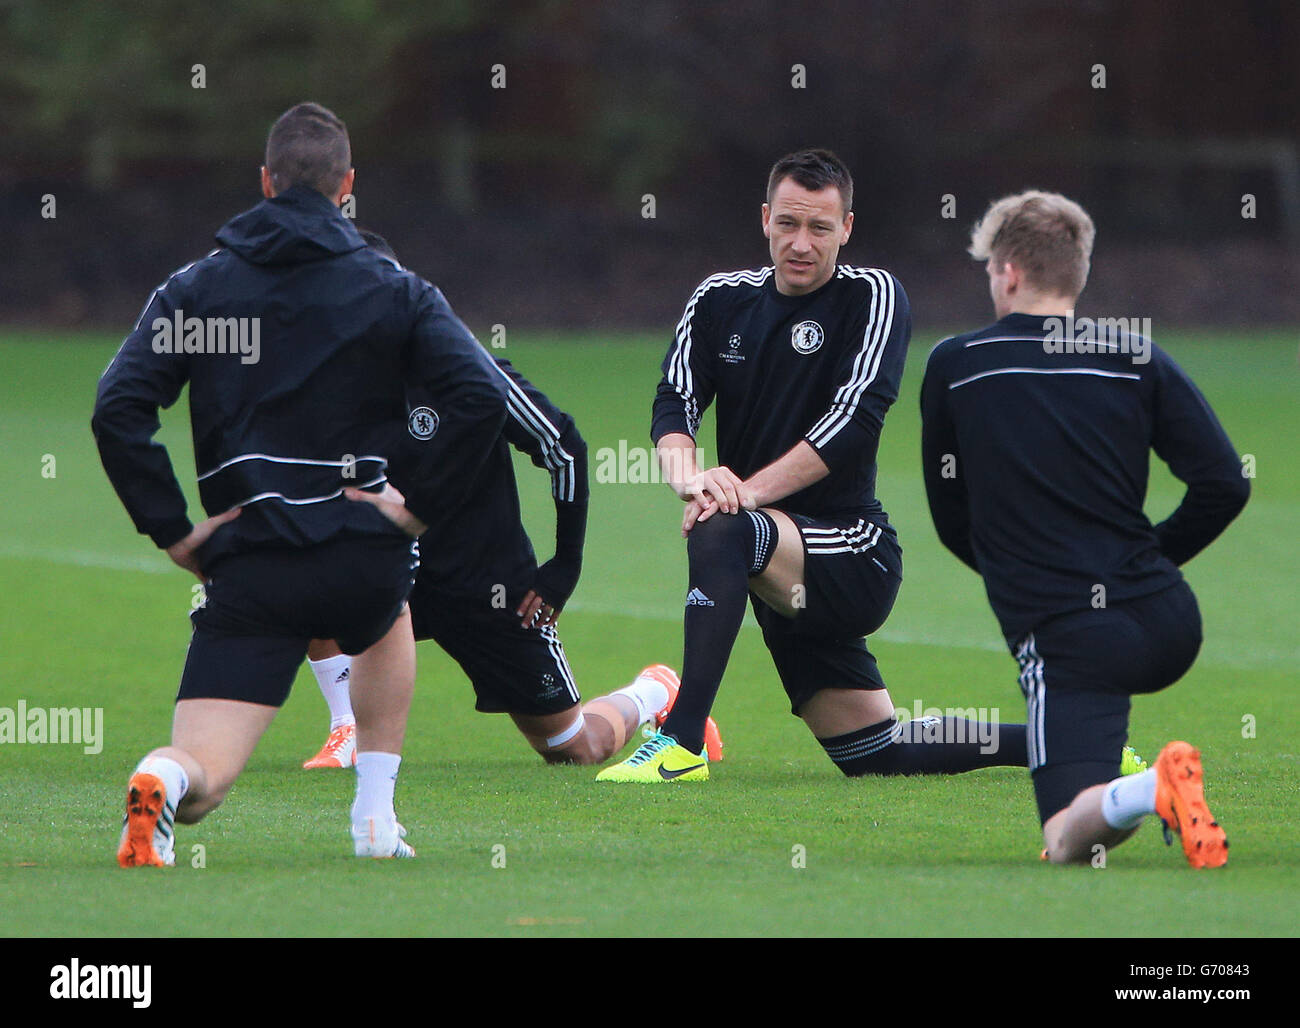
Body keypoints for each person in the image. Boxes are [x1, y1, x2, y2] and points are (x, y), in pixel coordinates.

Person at [93, 102, 508, 863]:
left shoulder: (197, 289)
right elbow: (481, 398)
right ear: (347, 184)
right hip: (362, 552)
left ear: (266, 183)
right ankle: (376, 820)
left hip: (251, 559)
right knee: (389, 611)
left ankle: (163, 777)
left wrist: (175, 531)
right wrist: (415, 509)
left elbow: (117, 408)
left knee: (207, 777)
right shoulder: (395, 287)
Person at [598, 148, 1028, 783]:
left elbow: (854, 422)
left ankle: (681, 745)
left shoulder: (874, 296)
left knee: (725, 529)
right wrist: (691, 479)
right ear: (766, 219)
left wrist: (738, 495)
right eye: (789, 224)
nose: (801, 244)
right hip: (772, 566)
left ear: (846, 229)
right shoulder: (719, 299)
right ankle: (1063, 741)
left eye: (820, 228)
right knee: (879, 755)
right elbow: (676, 401)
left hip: (852, 555)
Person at [298, 233, 717, 769]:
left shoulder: (469, 371)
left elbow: (563, 448)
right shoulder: (328, 384)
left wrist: (564, 566)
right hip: (389, 577)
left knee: (574, 750)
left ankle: (653, 692)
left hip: (488, 591)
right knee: (306, 578)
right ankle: (347, 729)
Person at [919, 190, 1249, 866]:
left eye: (990, 270)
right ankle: (1151, 790)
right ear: (1078, 272)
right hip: (1167, 621)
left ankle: (1153, 787)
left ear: (1008, 269)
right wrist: (1147, 561)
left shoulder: (958, 365)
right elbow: (1225, 481)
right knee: (1089, 788)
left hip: (1066, 635)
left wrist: (1021, 572)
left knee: (1064, 838)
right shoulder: (1135, 357)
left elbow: (952, 518)